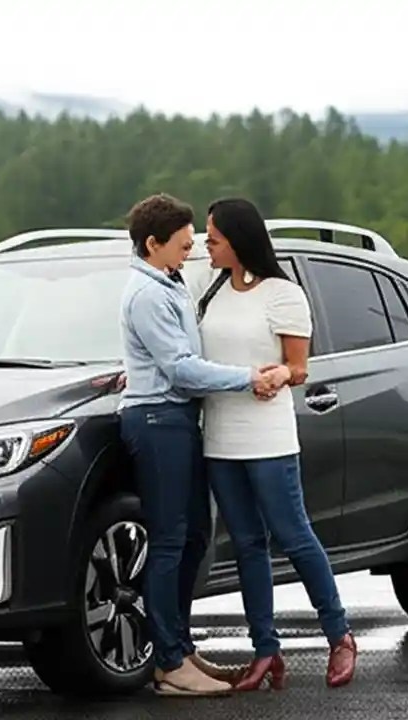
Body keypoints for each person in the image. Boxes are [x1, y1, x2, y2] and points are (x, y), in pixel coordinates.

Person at [117, 193, 290, 697]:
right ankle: (169, 662)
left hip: (177, 418)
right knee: (171, 538)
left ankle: (181, 647)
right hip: (157, 420)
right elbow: (179, 367)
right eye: (182, 244)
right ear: (153, 244)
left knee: (194, 536)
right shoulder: (146, 294)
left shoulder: (168, 282)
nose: (191, 252)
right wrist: (246, 378)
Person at [191, 197, 357, 690]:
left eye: (214, 238)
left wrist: (280, 375)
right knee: (245, 544)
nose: (206, 244)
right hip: (220, 437)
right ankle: (266, 650)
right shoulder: (211, 287)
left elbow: (299, 366)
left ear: (238, 240)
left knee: (293, 534)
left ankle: (339, 635)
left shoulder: (283, 294)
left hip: (268, 436)